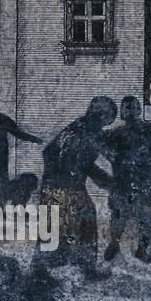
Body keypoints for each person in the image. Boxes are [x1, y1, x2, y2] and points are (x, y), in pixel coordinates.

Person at [36, 96, 117, 276]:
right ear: (101, 115)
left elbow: (51, 153)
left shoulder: (79, 126)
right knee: (81, 220)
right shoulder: (86, 132)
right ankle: (85, 268)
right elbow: (77, 162)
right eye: (107, 119)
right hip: (65, 187)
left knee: (55, 226)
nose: (106, 124)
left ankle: (42, 269)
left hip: (55, 186)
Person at [101, 96, 151, 262]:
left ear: (140, 110)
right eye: (127, 108)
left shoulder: (150, 130)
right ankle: (114, 244)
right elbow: (103, 148)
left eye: (134, 107)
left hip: (145, 180)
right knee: (118, 214)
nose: (131, 111)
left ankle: (142, 249)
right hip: (122, 180)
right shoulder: (115, 133)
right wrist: (117, 159)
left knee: (147, 216)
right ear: (122, 112)